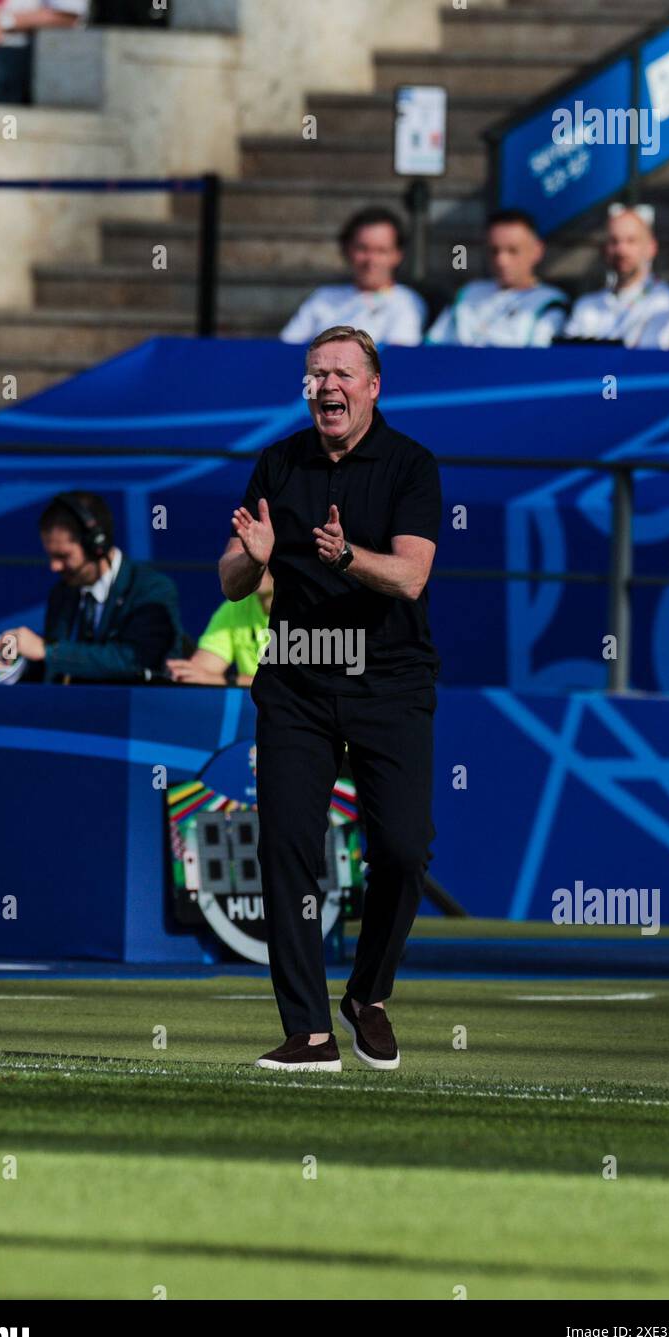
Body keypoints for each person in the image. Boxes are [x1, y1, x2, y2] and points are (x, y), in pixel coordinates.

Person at [221, 325, 441, 1072]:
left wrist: (347, 557)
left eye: (342, 374)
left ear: (373, 386)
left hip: (390, 678)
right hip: (298, 679)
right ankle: (309, 1032)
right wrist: (250, 563)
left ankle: (366, 994)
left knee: (405, 851)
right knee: (285, 845)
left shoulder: (411, 465)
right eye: (316, 375)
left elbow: (412, 578)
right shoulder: (278, 461)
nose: (327, 387)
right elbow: (228, 576)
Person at [0, 491, 183, 683]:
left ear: (97, 546)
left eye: (63, 556)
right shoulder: (63, 593)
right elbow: (55, 671)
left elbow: (133, 660)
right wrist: (18, 660)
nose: (54, 566)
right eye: (51, 556)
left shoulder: (151, 588)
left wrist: (46, 650)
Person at [280, 207, 426, 347]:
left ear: (397, 255)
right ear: (347, 250)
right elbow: (285, 349)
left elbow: (398, 358)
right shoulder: (323, 298)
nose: (371, 260)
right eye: (363, 249)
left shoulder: (406, 301)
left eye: (381, 251)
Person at [426, 208, 568, 347]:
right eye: (494, 251)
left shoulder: (550, 302)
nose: (501, 261)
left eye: (513, 250)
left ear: (537, 250)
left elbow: (537, 362)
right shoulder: (467, 293)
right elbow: (432, 348)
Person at [562, 205, 669, 348]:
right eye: (614, 241)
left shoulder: (668, 301)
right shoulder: (586, 306)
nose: (621, 250)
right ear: (605, 249)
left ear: (651, 247)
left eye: (631, 241)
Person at [166, 567, 274, 687]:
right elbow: (201, 671)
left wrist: (225, 681)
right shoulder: (234, 608)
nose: (262, 566)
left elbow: (292, 686)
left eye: (270, 558)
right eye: (255, 559)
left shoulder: (298, 608)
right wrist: (184, 674)